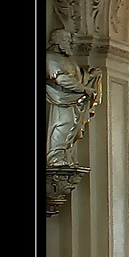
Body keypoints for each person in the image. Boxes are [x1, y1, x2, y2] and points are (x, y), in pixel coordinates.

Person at [46, 30, 99, 168]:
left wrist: (90, 76)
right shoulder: (50, 57)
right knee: (63, 123)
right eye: (67, 40)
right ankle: (55, 158)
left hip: (73, 98)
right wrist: (83, 89)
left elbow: (77, 76)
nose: (70, 43)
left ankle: (64, 155)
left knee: (71, 127)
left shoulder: (68, 59)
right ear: (58, 41)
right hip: (60, 98)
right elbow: (61, 78)